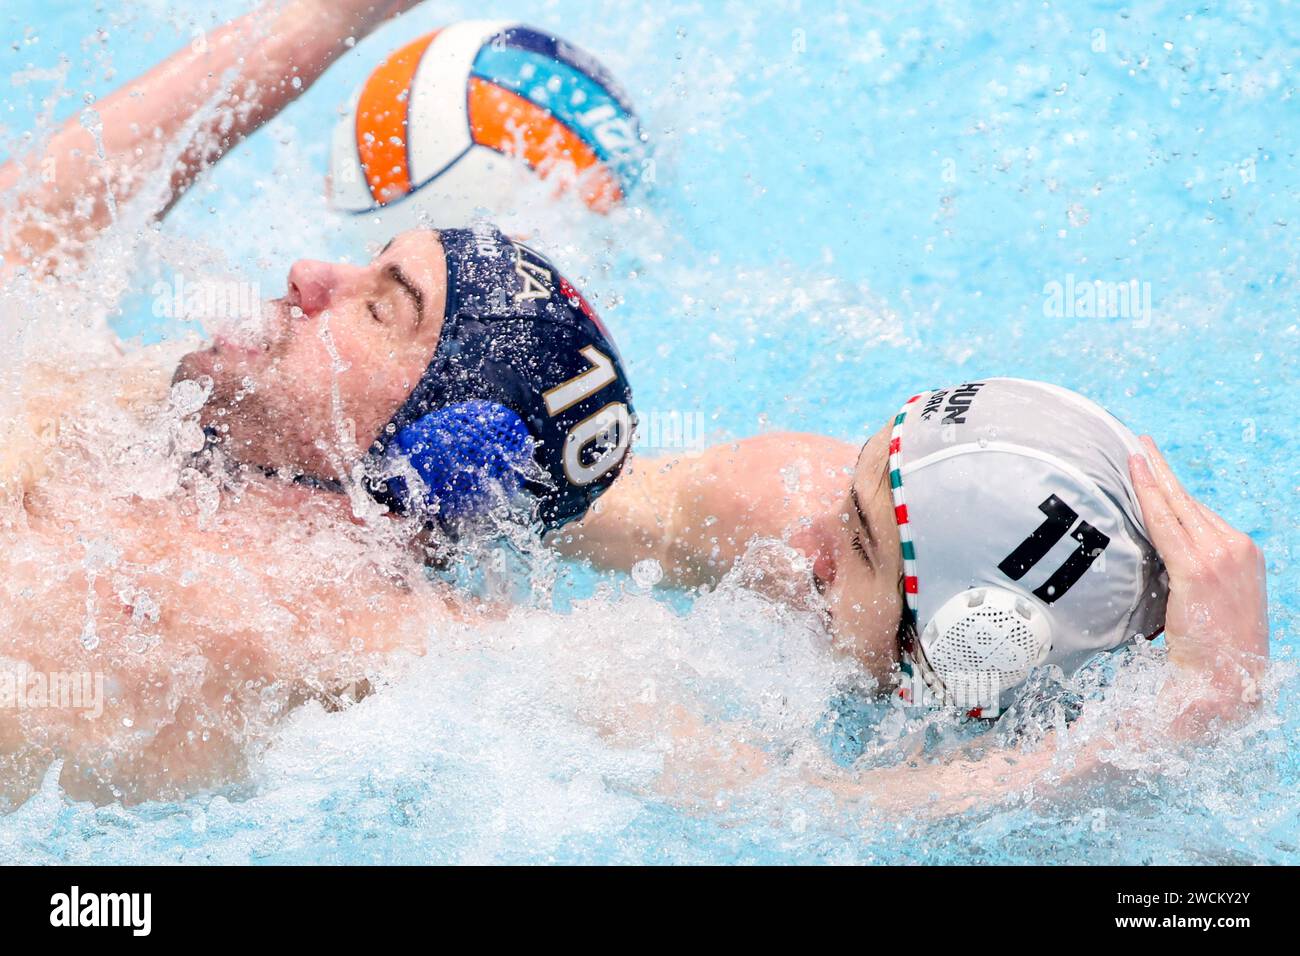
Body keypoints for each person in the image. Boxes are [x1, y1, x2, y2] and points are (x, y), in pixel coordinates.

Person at [0, 1, 633, 805]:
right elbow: (29, 235)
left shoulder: (337, 637)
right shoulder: (136, 415)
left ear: (437, 455)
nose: (308, 274)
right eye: (367, 262)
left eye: (378, 308)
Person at [564, 378, 1270, 808]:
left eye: (860, 543)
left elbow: (807, 812)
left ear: (953, 647)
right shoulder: (789, 500)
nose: (804, 536)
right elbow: (557, 509)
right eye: (852, 483)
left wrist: (1199, 715)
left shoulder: (1107, 806)